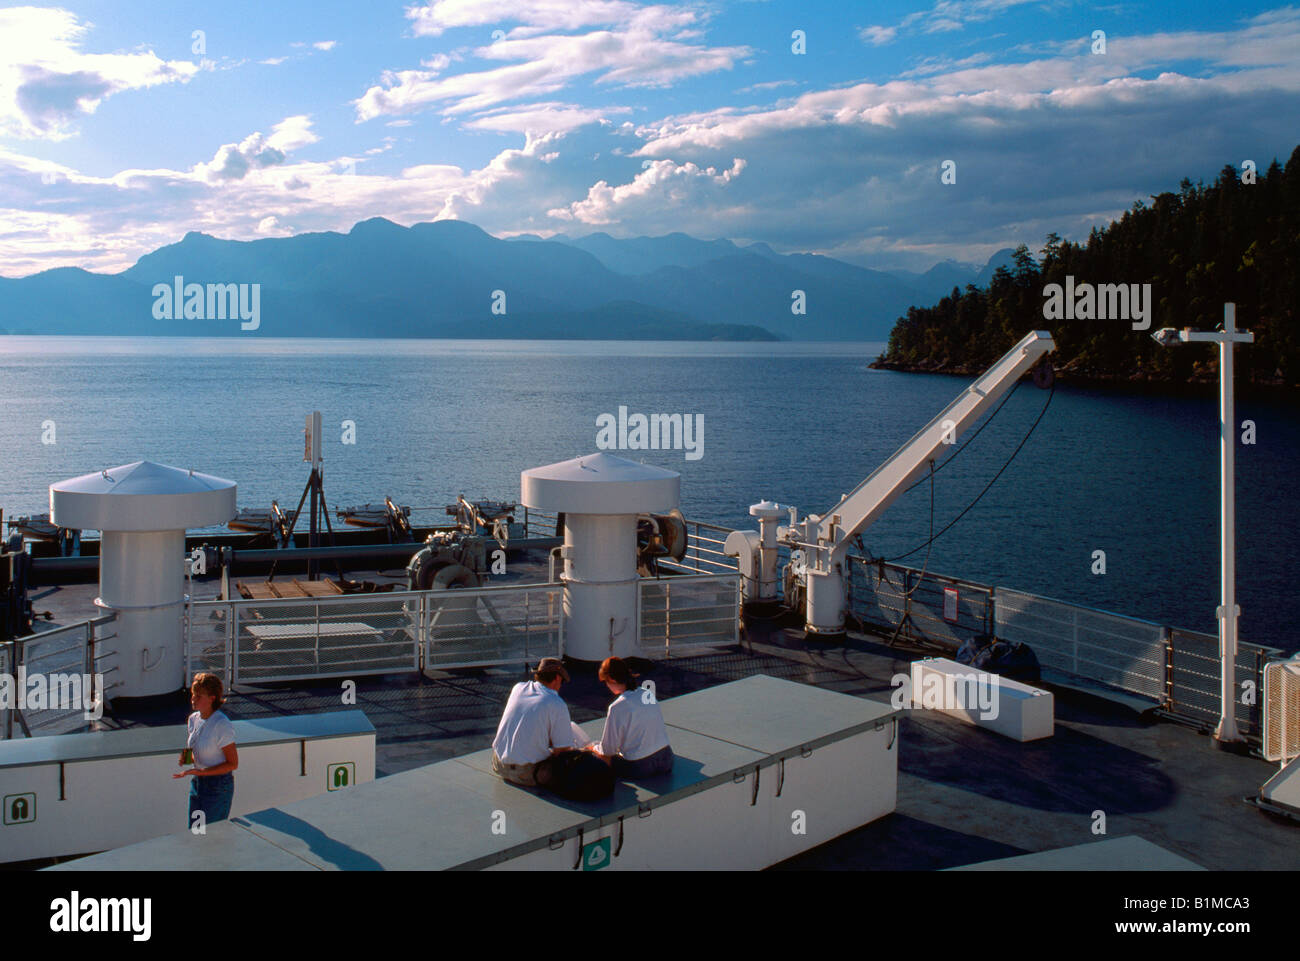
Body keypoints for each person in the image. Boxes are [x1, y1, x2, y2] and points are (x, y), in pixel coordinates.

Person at [491, 657, 575, 787]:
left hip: (498, 764)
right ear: (558, 678)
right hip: (526, 773)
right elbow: (562, 750)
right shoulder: (556, 703)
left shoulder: (518, 688)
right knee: (570, 760)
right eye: (562, 681)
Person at [586, 657, 673, 778]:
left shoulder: (616, 707)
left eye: (605, 682)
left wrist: (593, 748)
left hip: (640, 766)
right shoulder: (647, 693)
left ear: (611, 679)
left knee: (596, 755)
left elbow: (608, 750)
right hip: (666, 758)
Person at [173, 672, 239, 825]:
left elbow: (232, 764)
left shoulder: (221, 724)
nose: (193, 699)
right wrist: (186, 759)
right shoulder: (193, 719)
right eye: (193, 695)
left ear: (212, 698)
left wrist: (200, 772)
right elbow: (196, 749)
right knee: (196, 831)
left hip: (218, 787)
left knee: (210, 837)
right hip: (198, 783)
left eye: (198, 696)